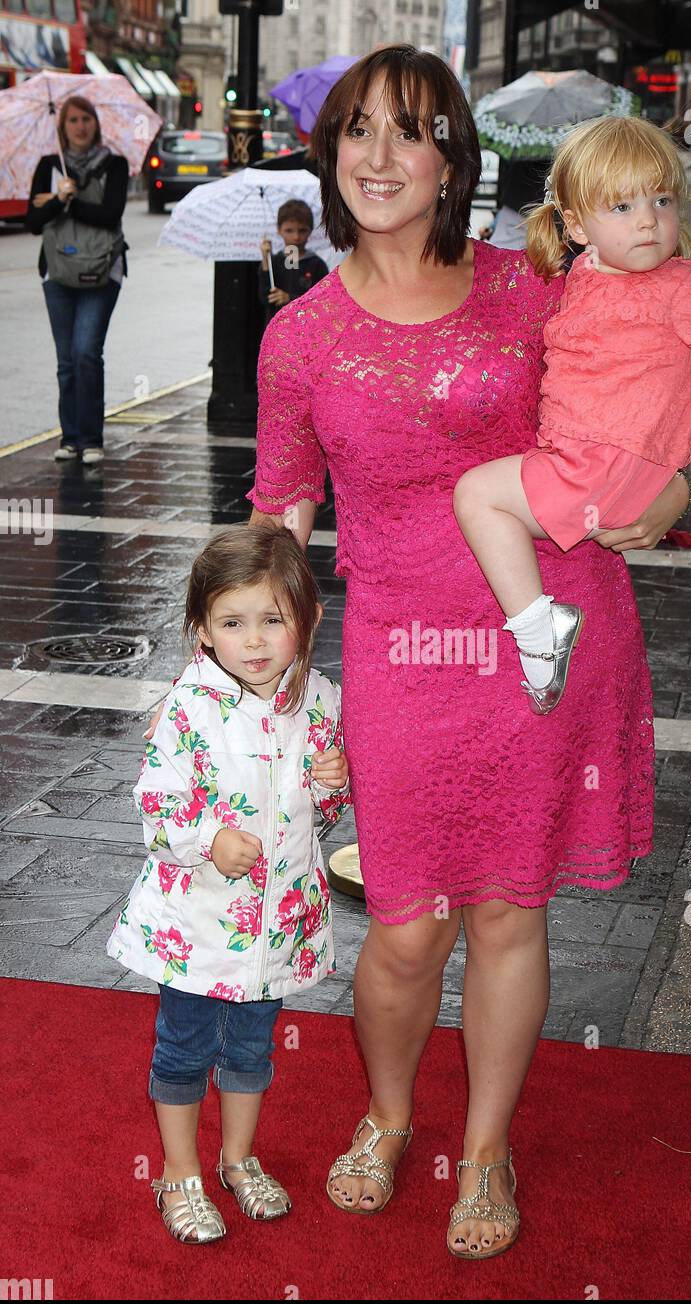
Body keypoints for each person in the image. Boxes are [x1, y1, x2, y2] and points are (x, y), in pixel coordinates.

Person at [203, 43, 691, 1262]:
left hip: (544, 623)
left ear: (448, 158)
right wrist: (250, 637)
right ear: (331, 154)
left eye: (408, 132)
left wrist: (670, 494)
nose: (378, 156)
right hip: (398, 647)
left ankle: (485, 1148)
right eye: (359, 131)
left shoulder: (534, 289)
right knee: (408, 924)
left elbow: (650, 399)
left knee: (511, 913)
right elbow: (284, 504)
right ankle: (388, 1111)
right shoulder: (301, 335)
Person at [452, 117, 691, 714]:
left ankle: (539, 632)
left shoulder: (683, 287)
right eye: (621, 205)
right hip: (620, 473)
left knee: (475, 496)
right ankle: (542, 626)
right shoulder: (582, 278)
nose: (647, 218)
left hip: (602, 467)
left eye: (661, 199)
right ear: (576, 224)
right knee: (490, 497)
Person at [110, 525, 351, 1244]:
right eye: (232, 622)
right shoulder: (187, 708)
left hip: (275, 924)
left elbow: (319, 823)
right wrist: (207, 841)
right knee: (183, 1048)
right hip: (199, 927)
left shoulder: (321, 702)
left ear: (306, 618)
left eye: (271, 619)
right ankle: (179, 1171)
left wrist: (334, 785)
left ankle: (237, 1159)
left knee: (252, 1051)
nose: (253, 641)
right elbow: (156, 807)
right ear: (203, 630)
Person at [24, 94, 128, 466]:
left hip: (102, 272)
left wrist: (68, 201)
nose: (80, 126)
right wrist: (55, 198)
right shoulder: (50, 165)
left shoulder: (114, 164)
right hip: (58, 273)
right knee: (66, 359)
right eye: (73, 121)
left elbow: (110, 214)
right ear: (62, 127)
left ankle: (92, 439)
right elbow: (32, 223)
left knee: (86, 352)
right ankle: (70, 438)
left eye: (86, 119)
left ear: (95, 124)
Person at [259, 198, 329, 323]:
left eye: (302, 231)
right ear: (279, 230)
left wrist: (290, 298)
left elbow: (322, 302)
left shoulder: (316, 264)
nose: (296, 237)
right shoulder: (272, 262)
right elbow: (265, 298)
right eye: (289, 231)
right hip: (277, 329)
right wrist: (265, 259)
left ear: (310, 230)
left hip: (305, 330)